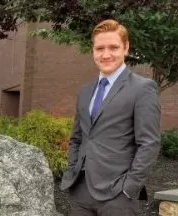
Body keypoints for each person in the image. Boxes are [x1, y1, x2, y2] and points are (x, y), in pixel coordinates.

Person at [60, 19, 161, 216]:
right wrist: (72, 169)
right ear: (93, 51)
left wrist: (129, 187)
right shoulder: (85, 91)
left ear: (126, 48)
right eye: (99, 48)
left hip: (118, 196)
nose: (106, 54)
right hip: (80, 191)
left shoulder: (142, 88)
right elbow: (77, 138)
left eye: (113, 47)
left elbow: (149, 143)